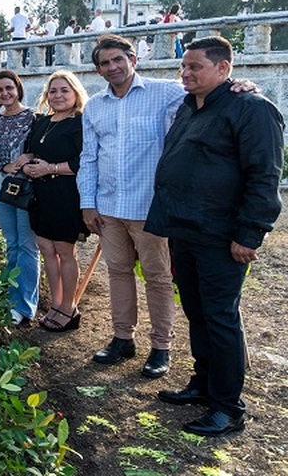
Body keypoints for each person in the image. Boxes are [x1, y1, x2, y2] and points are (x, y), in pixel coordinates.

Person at [146, 36, 284, 437]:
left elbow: (264, 176)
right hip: (185, 231)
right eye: (183, 67)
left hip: (223, 237)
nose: (185, 73)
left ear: (224, 69)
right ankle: (203, 385)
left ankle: (227, 408)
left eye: (195, 67)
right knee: (198, 313)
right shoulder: (190, 107)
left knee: (221, 318)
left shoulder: (251, 108)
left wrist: (249, 234)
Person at [77, 34, 183, 379]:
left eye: (117, 60)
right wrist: (87, 203)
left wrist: (241, 85)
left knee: (157, 277)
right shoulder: (94, 106)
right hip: (108, 208)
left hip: (149, 208)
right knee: (118, 273)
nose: (112, 68)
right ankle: (123, 338)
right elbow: (88, 158)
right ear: (98, 69)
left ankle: (161, 346)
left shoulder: (165, 92)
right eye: (105, 63)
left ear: (132, 59)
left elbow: (208, 90)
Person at [21, 71, 89, 331]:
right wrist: (27, 166)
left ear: (75, 93)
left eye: (64, 90)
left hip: (66, 195)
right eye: (53, 91)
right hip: (41, 195)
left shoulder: (79, 122)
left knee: (64, 251)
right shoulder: (42, 122)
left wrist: (51, 168)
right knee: (47, 251)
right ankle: (56, 303)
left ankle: (69, 309)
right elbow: (31, 153)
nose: (58, 96)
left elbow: (84, 161)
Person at [0, 70, 39, 326]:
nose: (5, 93)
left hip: (27, 191)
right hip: (1, 190)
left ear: (18, 88)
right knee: (11, 244)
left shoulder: (33, 118)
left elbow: (41, 146)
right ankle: (11, 300)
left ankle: (25, 306)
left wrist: (25, 159)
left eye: (9, 88)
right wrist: (5, 166)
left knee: (27, 246)